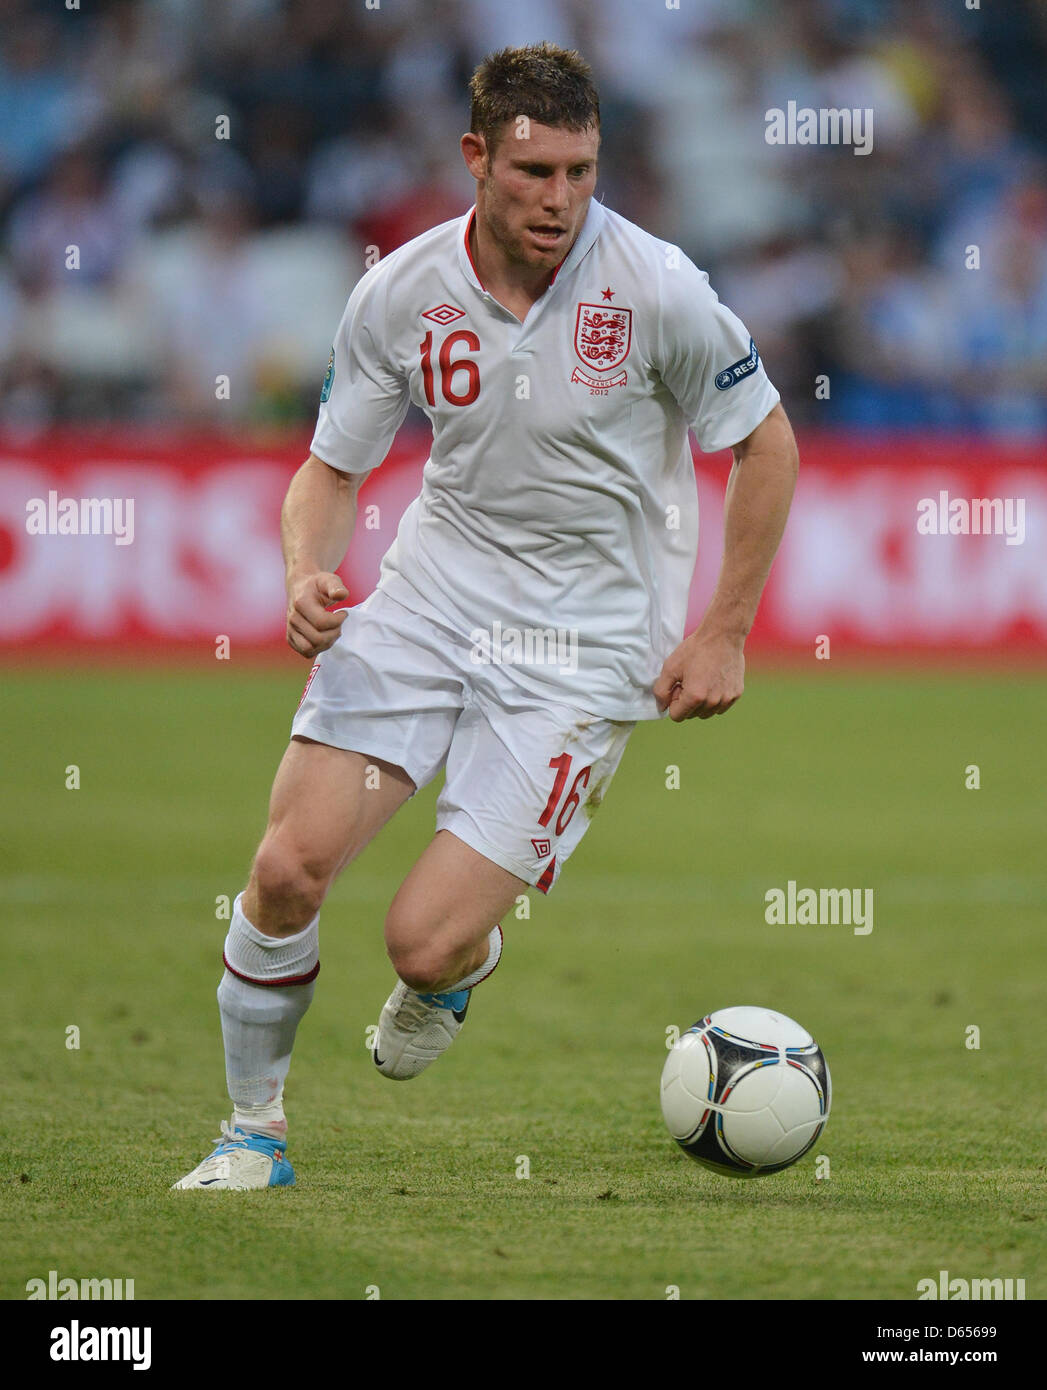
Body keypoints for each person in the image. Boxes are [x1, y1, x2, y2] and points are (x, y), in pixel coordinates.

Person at [173, 41, 798, 1190]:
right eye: (534, 172)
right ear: (476, 157)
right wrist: (308, 569)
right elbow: (328, 470)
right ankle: (251, 1134)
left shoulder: (655, 286)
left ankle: (455, 965)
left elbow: (766, 442)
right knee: (285, 869)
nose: (560, 198)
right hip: (428, 604)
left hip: (581, 650)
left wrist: (723, 628)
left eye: (580, 171)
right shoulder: (403, 291)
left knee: (420, 938)